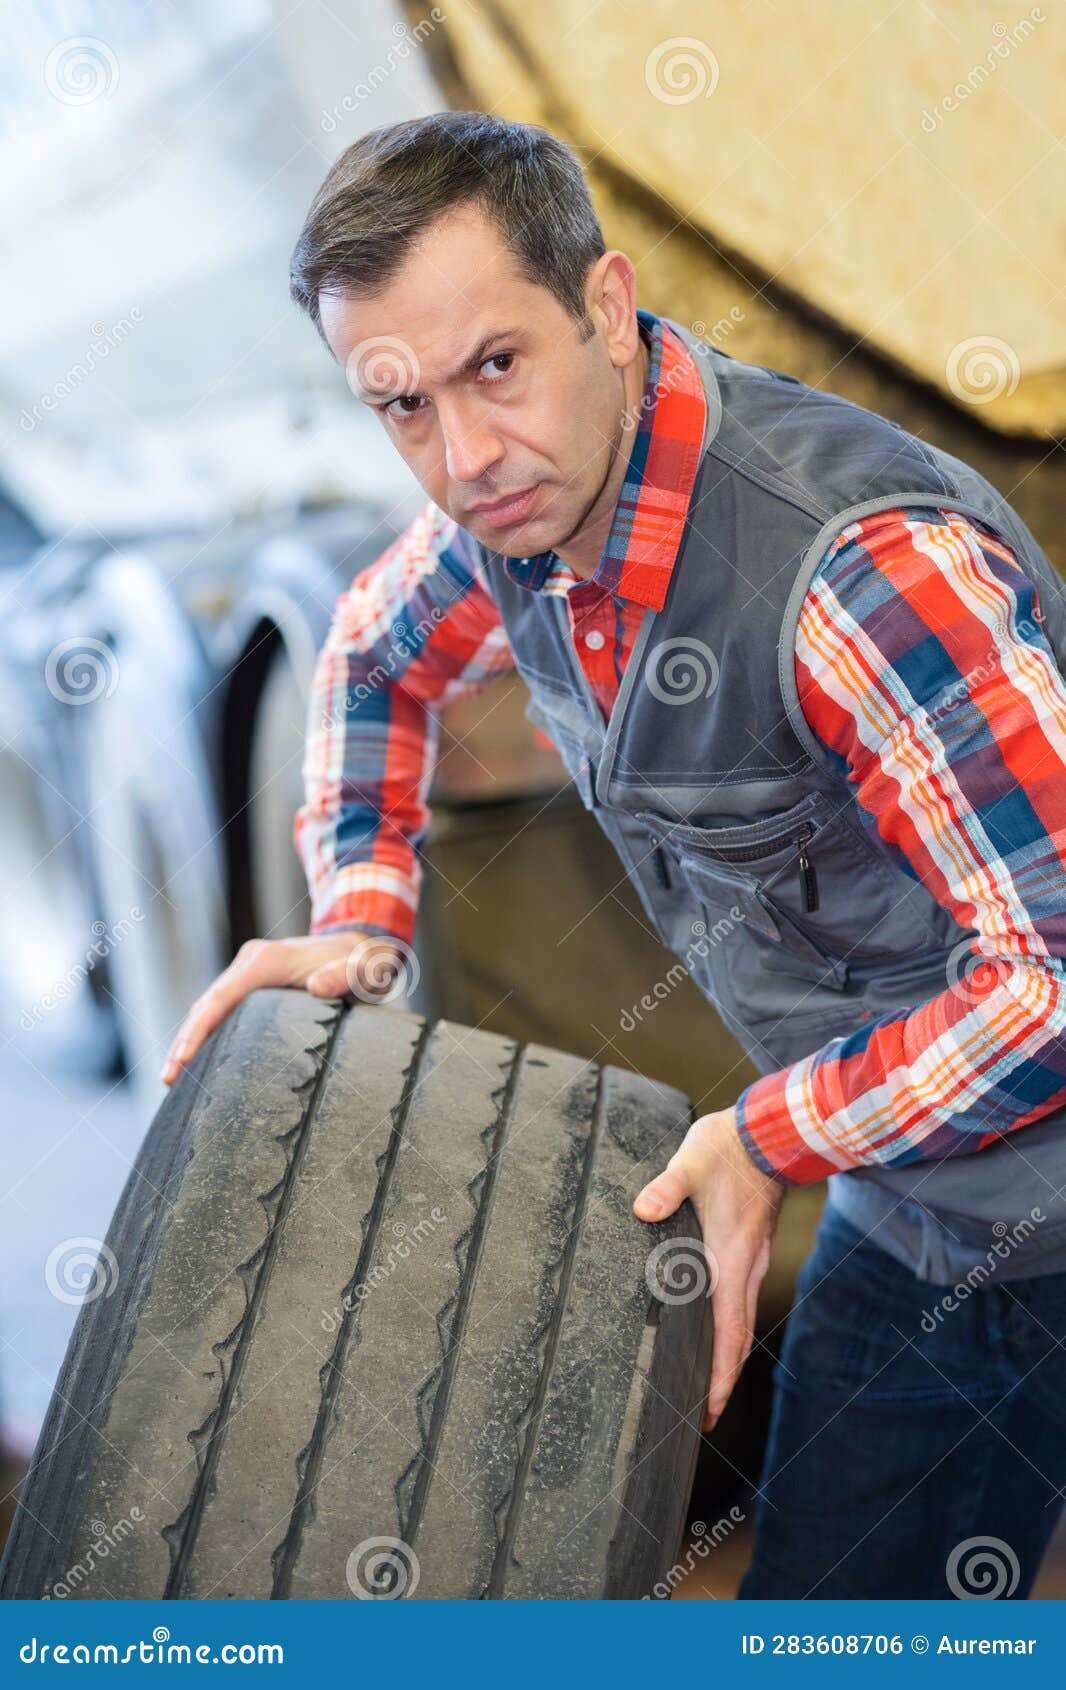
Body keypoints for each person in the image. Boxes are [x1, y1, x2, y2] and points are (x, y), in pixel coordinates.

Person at [163, 112, 1066, 1598]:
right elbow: (373, 656)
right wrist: (363, 911)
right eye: (399, 406)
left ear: (603, 301)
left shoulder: (856, 574)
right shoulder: (526, 505)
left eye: (492, 366)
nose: (458, 455)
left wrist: (767, 1132)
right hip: (910, 1171)